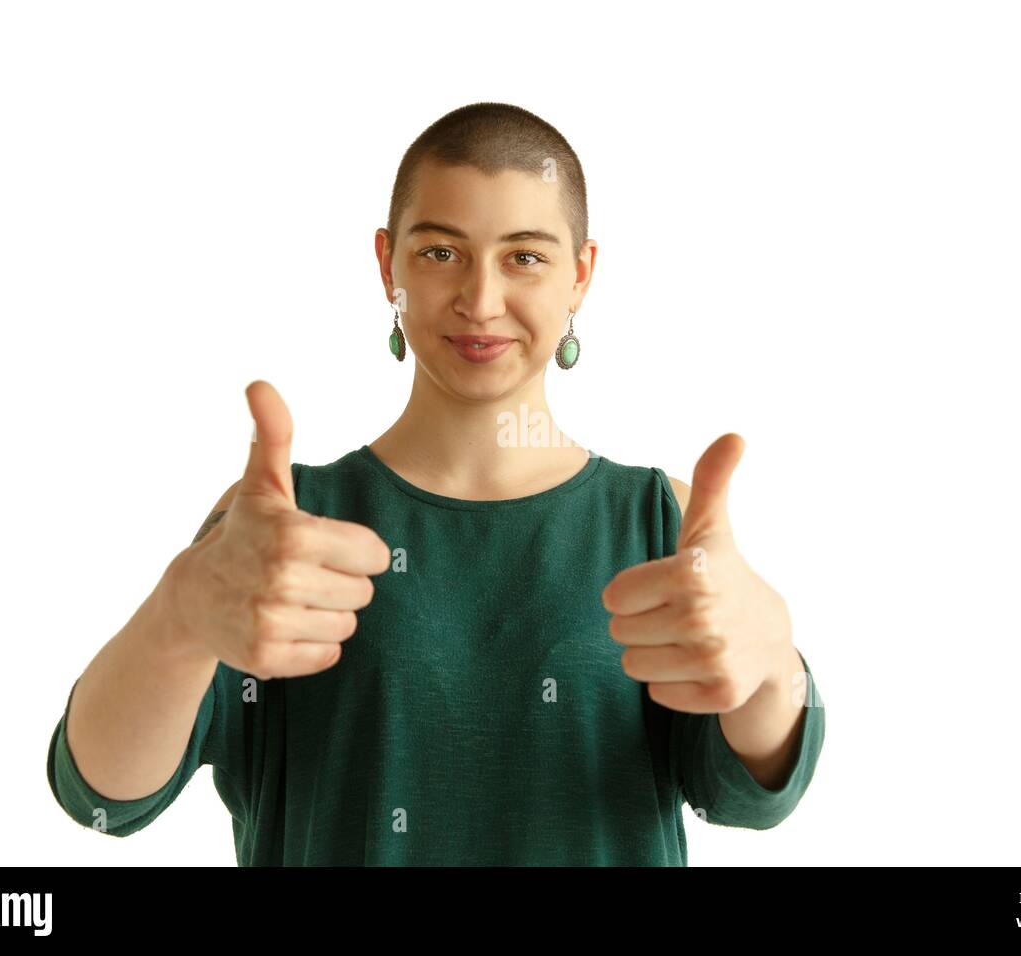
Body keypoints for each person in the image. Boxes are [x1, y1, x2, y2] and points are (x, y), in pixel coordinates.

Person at [46, 102, 826, 865]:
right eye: (440, 252)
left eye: (524, 256)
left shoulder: (662, 525)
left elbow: (756, 792)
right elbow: (102, 794)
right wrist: (178, 613)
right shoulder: (284, 526)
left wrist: (772, 660)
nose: (480, 301)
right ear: (388, 265)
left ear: (581, 276)